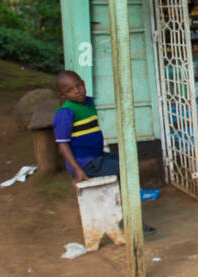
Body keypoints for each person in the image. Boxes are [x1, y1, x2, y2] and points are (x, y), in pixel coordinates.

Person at [52, 70, 154, 230]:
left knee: (128, 159)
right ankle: (129, 220)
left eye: (78, 85)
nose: (77, 91)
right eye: (69, 90)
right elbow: (62, 145)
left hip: (96, 157)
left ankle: (127, 212)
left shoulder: (88, 103)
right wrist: (77, 170)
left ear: (83, 83)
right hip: (85, 164)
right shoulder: (65, 113)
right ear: (63, 94)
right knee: (128, 170)